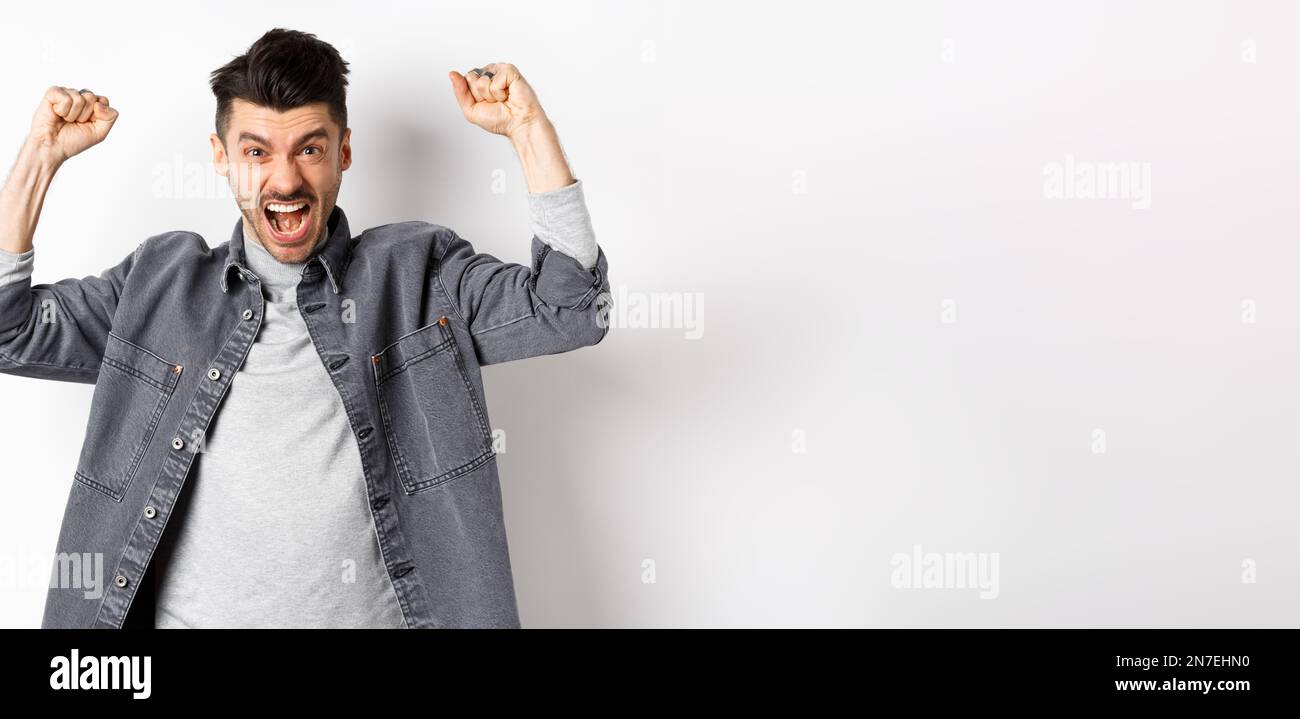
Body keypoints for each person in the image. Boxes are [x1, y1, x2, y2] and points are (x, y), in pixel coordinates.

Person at [0, 28, 610, 628]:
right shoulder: (158, 286)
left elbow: (570, 310)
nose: (286, 181)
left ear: (344, 151)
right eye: (257, 151)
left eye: (310, 150)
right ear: (222, 158)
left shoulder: (419, 276)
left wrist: (530, 133)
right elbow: (9, 332)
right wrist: (38, 158)